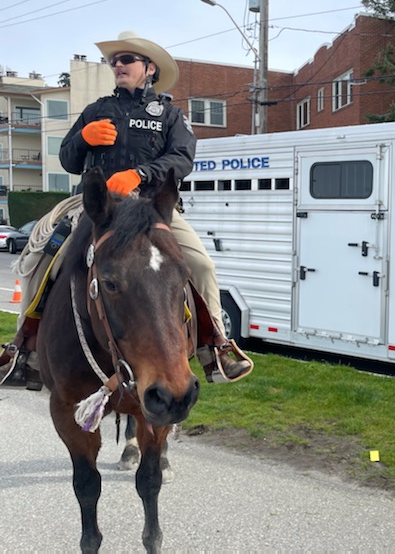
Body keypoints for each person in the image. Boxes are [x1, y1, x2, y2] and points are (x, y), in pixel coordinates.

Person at [0, 31, 252, 387]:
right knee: (41, 258)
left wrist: (139, 174)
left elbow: (182, 158)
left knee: (201, 264)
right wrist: (83, 138)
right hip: (97, 208)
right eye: (115, 60)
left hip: (152, 209)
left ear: (149, 68)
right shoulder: (95, 110)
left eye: (127, 59)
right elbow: (69, 159)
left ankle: (216, 347)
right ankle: (24, 350)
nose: (118, 65)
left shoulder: (170, 115)